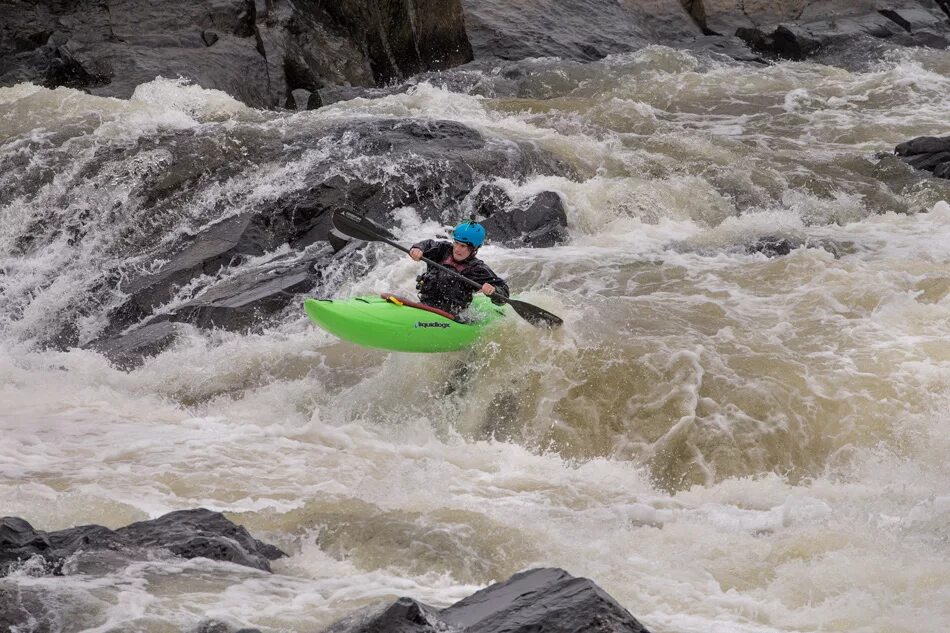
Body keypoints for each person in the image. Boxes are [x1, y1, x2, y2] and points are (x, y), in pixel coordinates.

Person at [408, 221, 510, 317]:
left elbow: (503, 294)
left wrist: (493, 291)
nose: (456, 249)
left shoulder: (477, 269)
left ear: (474, 249)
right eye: (456, 243)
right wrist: (417, 249)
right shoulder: (442, 250)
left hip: (452, 317)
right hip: (425, 306)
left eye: (463, 246)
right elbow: (428, 244)